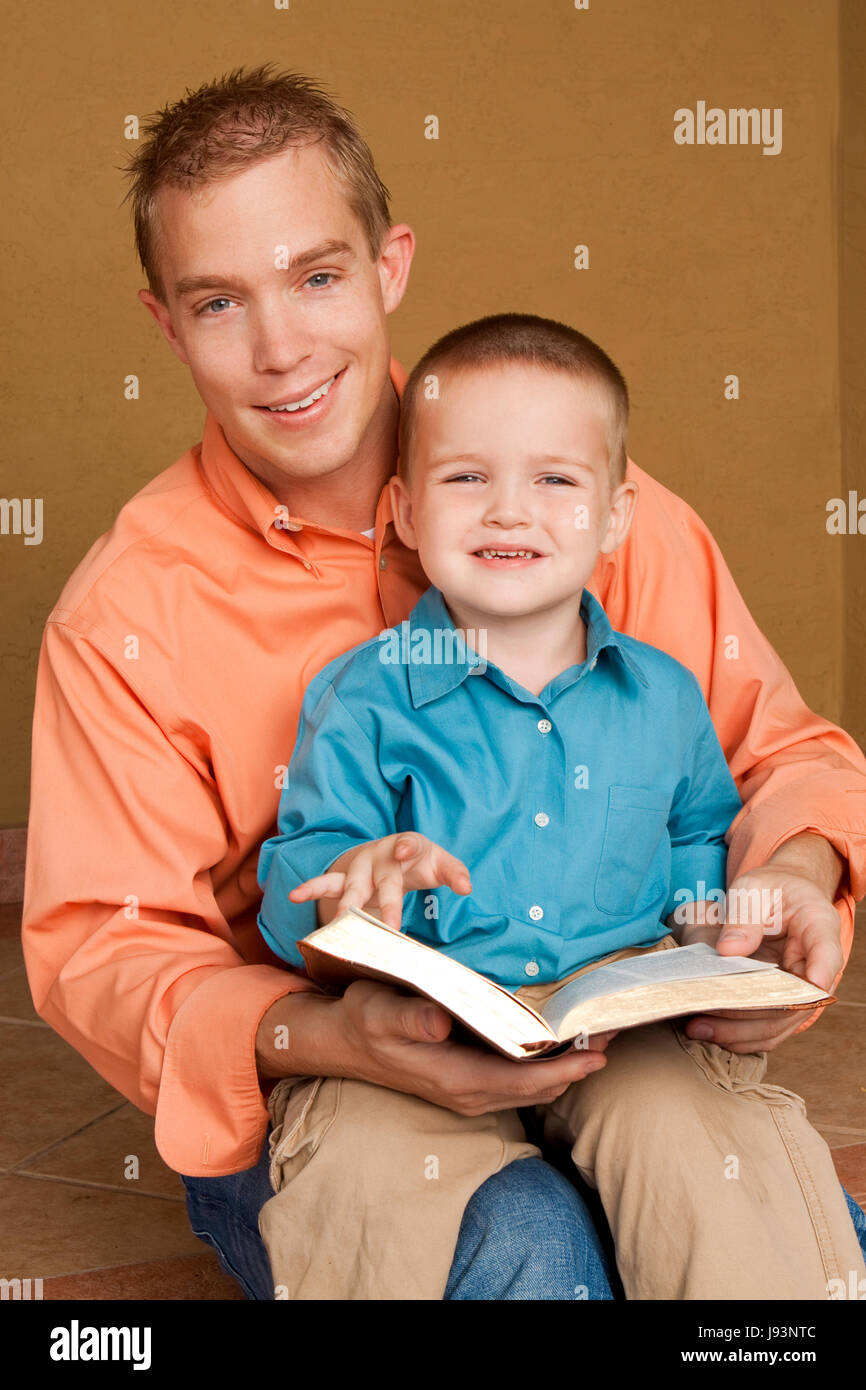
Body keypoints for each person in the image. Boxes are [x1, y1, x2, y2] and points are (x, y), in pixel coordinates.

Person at [20, 65, 866, 1302]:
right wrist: (332, 1031)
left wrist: (787, 884)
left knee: (755, 1212)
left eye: (316, 276)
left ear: (388, 266)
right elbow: (107, 948)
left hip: (623, 1051)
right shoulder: (122, 616)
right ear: (164, 324)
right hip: (337, 1082)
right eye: (218, 303)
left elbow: (773, 755)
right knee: (538, 1244)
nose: (280, 349)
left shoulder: (584, 500)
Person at [254, 313, 866, 1300]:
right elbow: (299, 864)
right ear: (404, 510)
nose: (508, 512)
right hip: (417, 1040)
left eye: (553, 480)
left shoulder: (661, 695)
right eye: (465, 478)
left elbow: (693, 849)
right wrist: (347, 887)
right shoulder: (363, 693)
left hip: (622, 1036)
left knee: (710, 1161)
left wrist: (723, 929)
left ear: (615, 518)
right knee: (363, 1178)